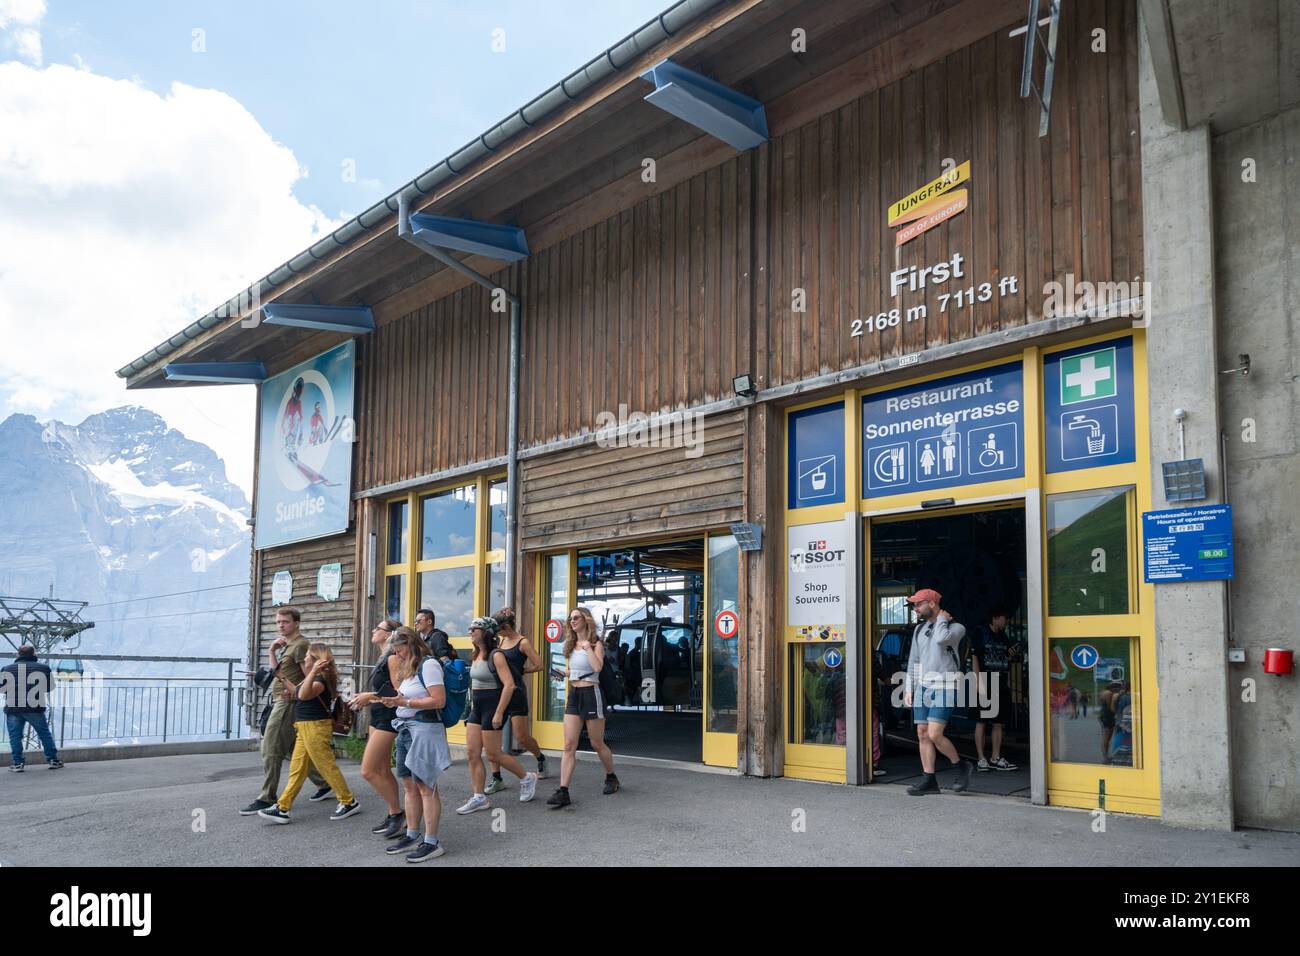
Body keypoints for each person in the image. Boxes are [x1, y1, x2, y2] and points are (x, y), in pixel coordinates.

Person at [257, 642, 360, 823]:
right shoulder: (313, 677)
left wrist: (311, 673)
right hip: (305, 727)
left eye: (307, 656)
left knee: (326, 766)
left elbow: (304, 695)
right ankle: (283, 807)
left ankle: (348, 801)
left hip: (315, 727)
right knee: (297, 769)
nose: (304, 659)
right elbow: (298, 692)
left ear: (315, 660)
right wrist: (281, 677)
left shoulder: (321, 679)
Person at [241, 608, 329, 815]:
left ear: (296, 623)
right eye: (279, 622)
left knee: (270, 748)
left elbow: (310, 674)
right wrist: (272, 651)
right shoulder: (285, 645)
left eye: (285, 622)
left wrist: (299, 692)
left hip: (288, 702)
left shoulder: (301, 645)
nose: (281, 625)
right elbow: (277, 672)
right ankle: (325, 783)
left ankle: (266, 797)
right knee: (291, 749)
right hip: (279, 699)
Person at [380, 627, 453, 862]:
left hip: (424, 730)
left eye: (399, 648)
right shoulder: (409, 667)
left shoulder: (428, 665)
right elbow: (405, 697)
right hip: (406, 728)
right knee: (409, 786)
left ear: (410, 644)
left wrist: (406, 702)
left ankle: (432, 842)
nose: (396, 653)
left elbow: (438, 700)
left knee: (426, 786)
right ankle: (412, 833)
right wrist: (392, 701)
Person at [456, 617, 539, 814]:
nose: (469, 632)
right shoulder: (476, 655)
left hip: (493, 706)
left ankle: (527, 778)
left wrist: (500, 713)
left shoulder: (496, 655)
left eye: (473, 628)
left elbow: (509, 685)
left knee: (494, 754)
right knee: (472, 753)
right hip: (478, 707)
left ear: (485, 632)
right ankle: (479, 798)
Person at [902, 588, 974, 795]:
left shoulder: (956, 627)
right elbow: (914, 661)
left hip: (945, 685)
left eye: (918, 604)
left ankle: (960, 766)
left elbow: (942, 640)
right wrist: (909, 688)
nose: (915, 609)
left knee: (935, 733)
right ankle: (929, 780)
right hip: (924, 686)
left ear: (932, 604)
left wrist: (942, 620)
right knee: (922, 734)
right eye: (914, 605)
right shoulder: (918, 630)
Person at [547, 606, 618, 808]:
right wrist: (565, 674)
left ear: (586, 619)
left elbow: (597, 668)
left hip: (592, 694)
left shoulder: (596, 644)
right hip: (574, 694)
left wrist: (588, 647)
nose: (572, 621)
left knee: (597, 743)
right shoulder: (570, 645)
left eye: (576, 617)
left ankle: (611, 776)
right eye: (570, 619)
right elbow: (576, 670)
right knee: (569, 744)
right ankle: (563, 791)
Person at [347, 618, 406, 837]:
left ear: (390, 634)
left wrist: (369, 695)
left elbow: (399, 693)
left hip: (388, 718)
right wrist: (364, 699)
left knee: (368, 770)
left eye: (378, 628)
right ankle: (394, 813)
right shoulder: (383, 657)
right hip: (378, 714)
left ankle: (400, 814)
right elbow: (384, 692)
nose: (373, 630)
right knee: (381, 769)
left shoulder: (392, 658)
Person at [484, 606, 547, 793]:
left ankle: (540, 757)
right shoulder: (500, 641)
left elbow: (540, 665)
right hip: (498, 692)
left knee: (522, 737)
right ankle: (496, 778)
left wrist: (522, 671)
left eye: (498, 628)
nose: (496, 632)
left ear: (506, 627)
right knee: (492, 739)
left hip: (516, 692)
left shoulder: (523, 642)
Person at [971, 610, 1022, 772]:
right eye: (1004, 617)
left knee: (999, 722)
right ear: (995, 617)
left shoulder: (1003, 635)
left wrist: (1012, 654)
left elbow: (1006, 657)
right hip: (983, 681)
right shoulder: (980, 632)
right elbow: (974, 657)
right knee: (981, 721)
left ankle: (995, 757)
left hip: (1000, 681)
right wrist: (978, 682)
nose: (1005, 621)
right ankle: (981, 758)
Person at [3, 644, 64, 771]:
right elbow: (49, 688)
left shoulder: (7, 669)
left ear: (18, 654)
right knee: (44, 734)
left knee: (15, 736)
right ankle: (53, 760)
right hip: (34, 707)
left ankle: (18, 763)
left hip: (14, 708)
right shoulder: (43, 668)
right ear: (34, 654)